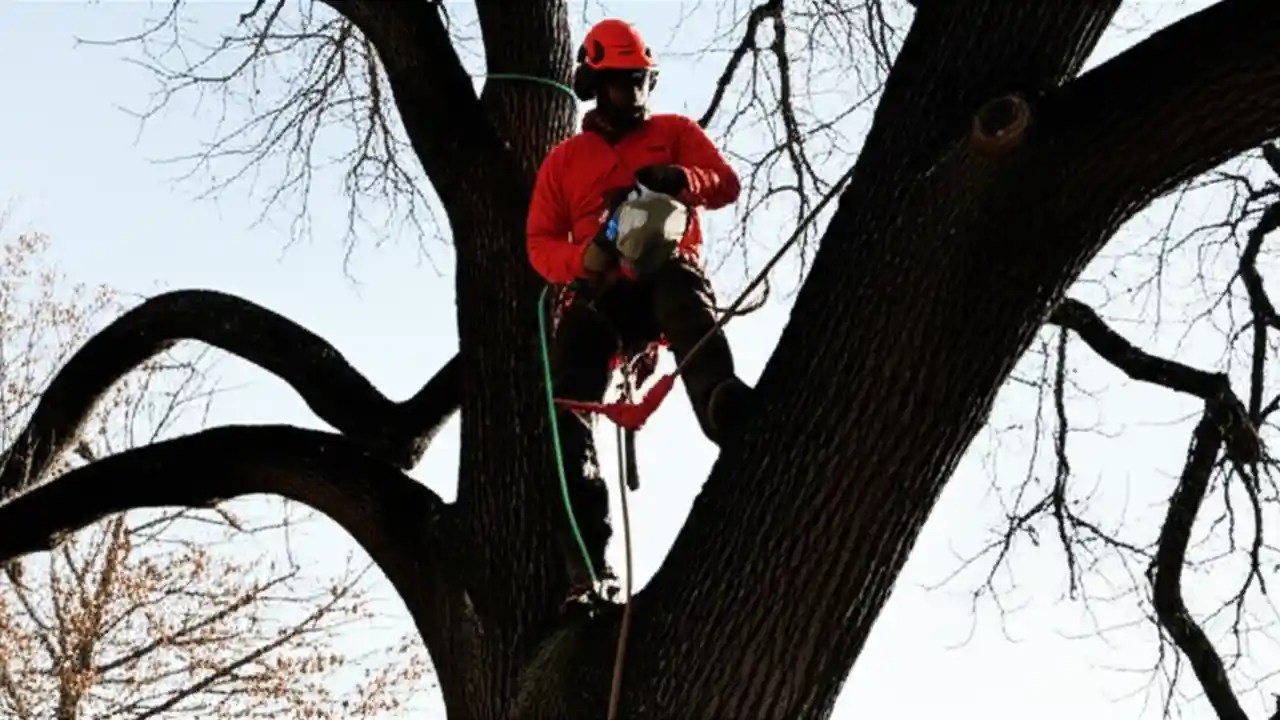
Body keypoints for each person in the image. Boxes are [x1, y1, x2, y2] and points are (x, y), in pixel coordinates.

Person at [526, 17, 753, 606]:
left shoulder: (675, 131)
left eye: (641, 82)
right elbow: (538, 243)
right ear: (595, 86)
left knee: (681, 292)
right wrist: (585, 259)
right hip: (603, 297)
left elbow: (725, 184)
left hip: (664, 271)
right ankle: (584, 555)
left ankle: (719, 402)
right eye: (623, 84)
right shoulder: (563, 163)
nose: (635, 95)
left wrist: (681, 178)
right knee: (567, 398)